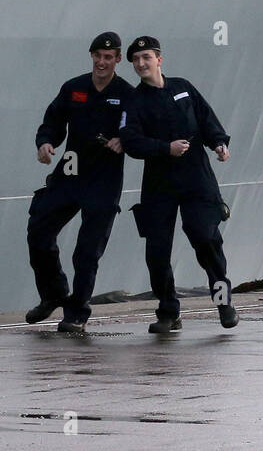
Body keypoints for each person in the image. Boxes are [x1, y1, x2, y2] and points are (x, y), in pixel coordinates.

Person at [119, 35, 238, 333]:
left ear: (159, 60)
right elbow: (131, 142)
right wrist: (164, 149)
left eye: (146, 57)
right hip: (160, 184)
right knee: (157, 251)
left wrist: (220, 144)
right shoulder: (134, 102)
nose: (141, 64)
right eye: (135, 60)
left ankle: (224, 304)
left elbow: (207, 119)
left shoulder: (183, 88)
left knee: (206, 239)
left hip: (197, 179)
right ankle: (169, 312)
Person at [25, 32, 133, 332]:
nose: (102, 62)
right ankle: (53, 295)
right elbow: (54, 121)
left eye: (108, 57)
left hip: (103, 182)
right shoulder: (74, 88)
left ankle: (76, 313)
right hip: (70, 174)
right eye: (97, 56)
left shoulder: (126, 94)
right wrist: (45, 143)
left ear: (117, 60)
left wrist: (124, 140)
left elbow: (138, 130)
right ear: (91, 56)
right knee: (38, 231)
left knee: (86, 251)